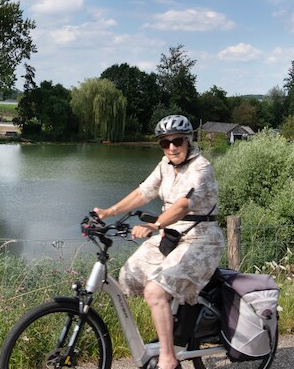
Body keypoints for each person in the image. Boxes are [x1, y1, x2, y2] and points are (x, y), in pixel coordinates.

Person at [93, 115, 223, 369]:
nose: (172, 148)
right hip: (172, 234)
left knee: (155, 290)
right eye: (165, 143)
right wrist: (109, 212)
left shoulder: (201, 168)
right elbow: (144, 192)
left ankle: (168, 358)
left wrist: (155, 225)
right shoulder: (165, 165)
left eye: (177, 141)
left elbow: (184, 205)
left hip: (202, 239)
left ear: (188, 141)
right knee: (129, 274)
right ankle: (175, 326)